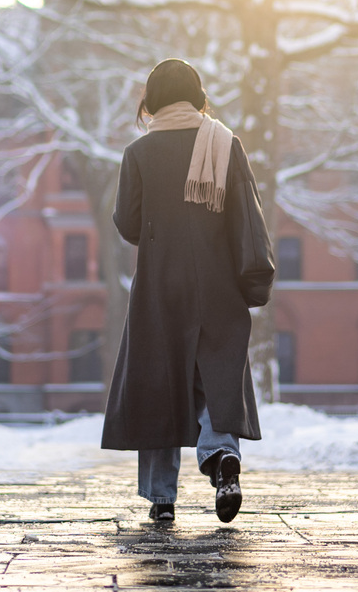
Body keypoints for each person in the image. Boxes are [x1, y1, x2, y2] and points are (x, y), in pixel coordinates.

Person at [101, 58, 276, 523]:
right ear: (198, 97)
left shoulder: (139, 153)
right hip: (217, 283)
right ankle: (222, 459)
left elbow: (128, 223)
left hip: (160, 284)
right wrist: (253, 277)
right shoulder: (225, 144)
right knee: (216, 374)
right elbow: (247, 215)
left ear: (151, 102)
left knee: (156, 381)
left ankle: (161, 497)